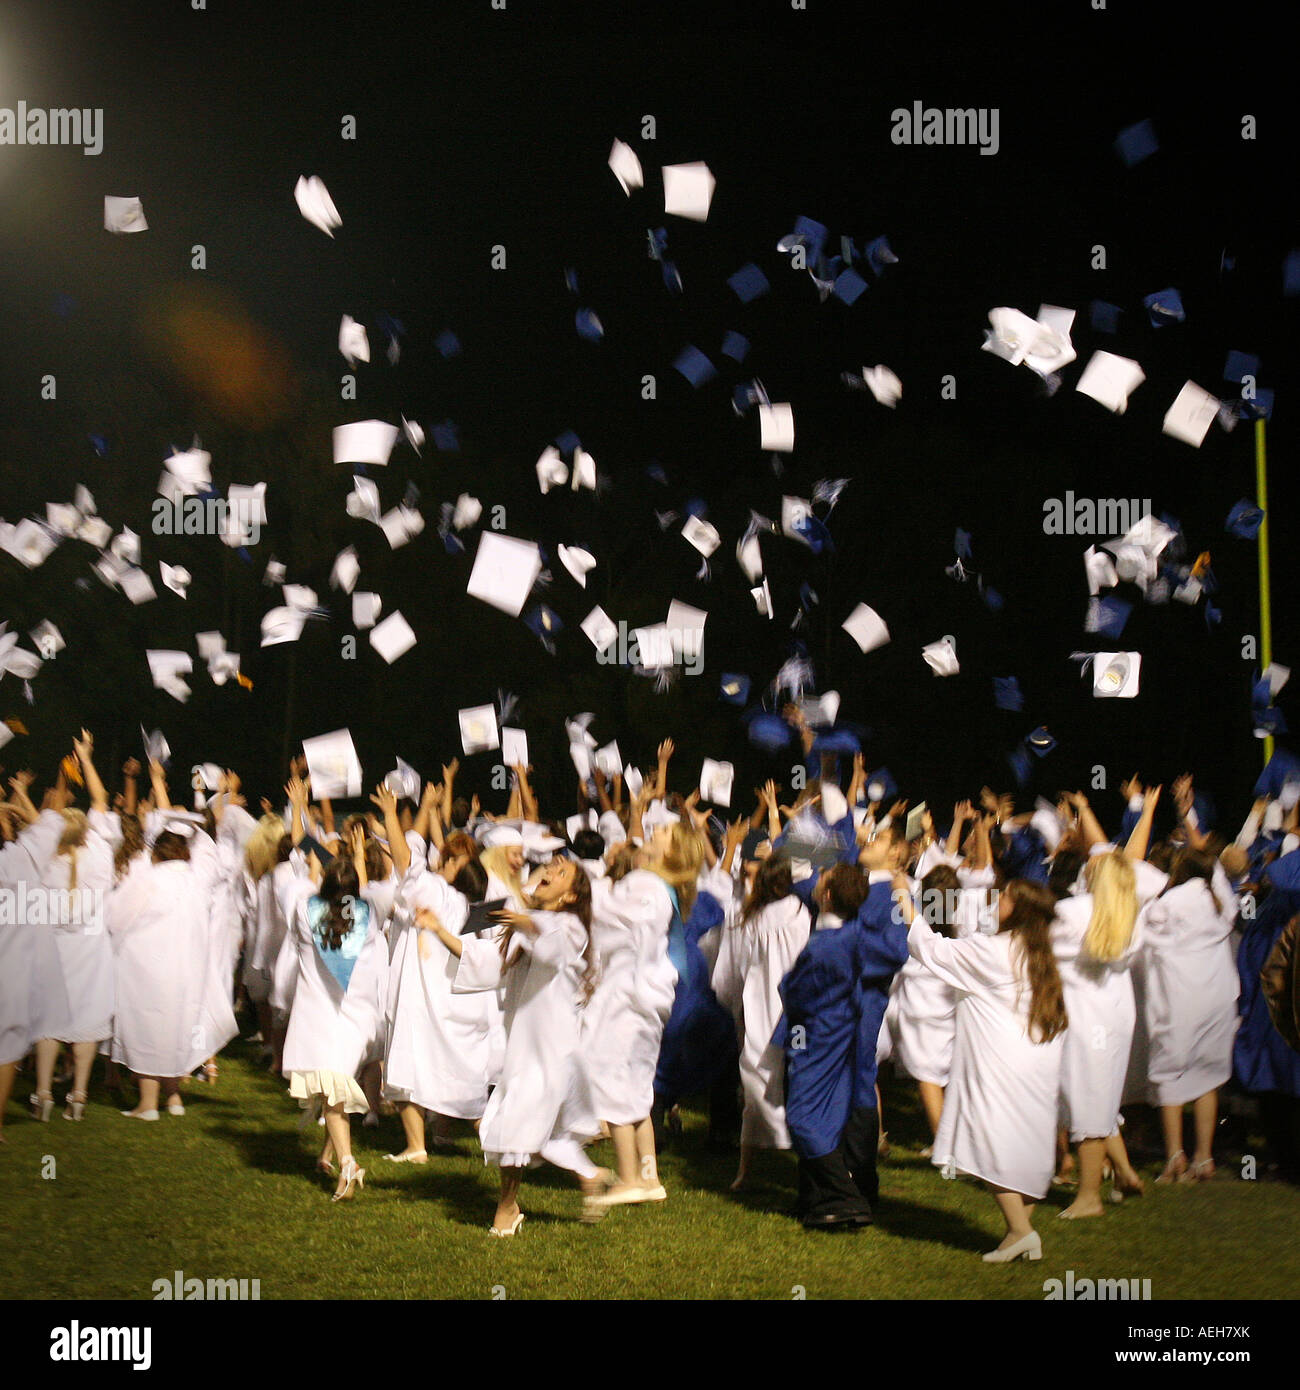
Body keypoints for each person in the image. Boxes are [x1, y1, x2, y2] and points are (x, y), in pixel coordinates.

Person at [419, 857, 607, 1234]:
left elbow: (551, 945)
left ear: (571, 895)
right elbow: (488, 963)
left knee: (517, 1128)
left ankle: (506, 1210)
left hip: (551, 1050)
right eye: (551, 867)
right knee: (539, 1133)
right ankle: (590, 1175)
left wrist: (520, 918)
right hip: (524, 1046)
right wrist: (438, 929)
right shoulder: (527, 925)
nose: (550, 871)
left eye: (562, 873)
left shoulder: (571, 928)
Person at [904, 878, 1069, 1262]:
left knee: (988, 1137)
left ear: (1019, 908)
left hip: (1001, 1061)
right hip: (1036, 1059)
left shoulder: (994, 950)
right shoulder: (1038, 950)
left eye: (1006, 896)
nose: (999, 899)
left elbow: (933, 950)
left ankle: (1021, 1231)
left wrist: (904, 901)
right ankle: (1017, 1235)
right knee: (1023, 1142)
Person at [583, 808, 704, 1215]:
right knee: (637, 1088)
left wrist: (593, 887)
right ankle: (649, 1177)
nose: (654, 831)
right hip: (647, 1001)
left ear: (672, 852)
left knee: (616, 1081)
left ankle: (630, 1178)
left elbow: (610, 916)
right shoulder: (662, 889)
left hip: (629, 999)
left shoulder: (646, 884)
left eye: (663, 832)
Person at [280, 824, 388, 1200]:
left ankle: (348, 1164)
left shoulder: (304, 911)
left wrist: (315, 859)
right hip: (359, 1021)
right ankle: (328, 1157)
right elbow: (360, 894)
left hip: (322, 1019)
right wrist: (357, 856)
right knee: (335, 1093)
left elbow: (305, 889)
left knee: (332, 1093)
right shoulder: (368, 917)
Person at [27, 732, 117, 1122]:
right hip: (92, 951)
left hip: (53, 949)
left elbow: (48, 814)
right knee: (87, 1024)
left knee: (48, 1023)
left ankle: (43, 1093)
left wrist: (63, 776)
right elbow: (100, 801)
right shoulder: (100, 852)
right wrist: (86, 759)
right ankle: (78, 1096)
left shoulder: (45, 859)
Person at [777, 863, 874, 1227]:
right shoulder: (851, 932)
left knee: (802, 1114)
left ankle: (846, 1197)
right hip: (833, 1027)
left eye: (822, 880)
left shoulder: (826, 947)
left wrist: (786, 987)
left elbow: (796, 990)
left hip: (814, 1030)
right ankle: (814, 1197)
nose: (815, 882)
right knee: (824, 1112)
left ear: (829, 896)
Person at [1051, 849, 1147, 1216]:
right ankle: (1124, 1173)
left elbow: (1044, 951)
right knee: (1101, 1097)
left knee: (1088, 1102)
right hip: (1117, 1015)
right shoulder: (1132, 913)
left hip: (1084, 1015)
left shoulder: (1072, 911)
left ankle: (1089, 1196)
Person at [1143, 847, 1241, 1182]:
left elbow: (1146, 933)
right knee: (1207, 1074)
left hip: (1179, 1000)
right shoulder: (1220, 901)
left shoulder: (1170, 902)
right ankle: (1204, 1156)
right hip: (1218, 999)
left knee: (1169, 1072)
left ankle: (1175, 1155)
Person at [716, 856, 811, 1189]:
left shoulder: (753, 918)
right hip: (795, 1007)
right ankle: (805, 1160)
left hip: (762, 1006)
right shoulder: (799, 913)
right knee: (799, 1079)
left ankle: (746, 1171)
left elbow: (740, 967)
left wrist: (735, 1003)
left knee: (757, 1079)